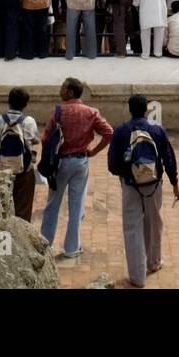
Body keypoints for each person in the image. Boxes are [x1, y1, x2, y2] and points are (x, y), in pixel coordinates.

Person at [109, 94, 179, 287]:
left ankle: (137, 277)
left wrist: (126, 174)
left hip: (130, 184)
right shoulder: (157, 130)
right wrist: (175, 184)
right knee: (153, 223)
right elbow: (168, 159)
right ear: (147, 109)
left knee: (132, 228)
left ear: (129, 109)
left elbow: (112, 165)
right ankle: (154, 262)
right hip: (154, 184)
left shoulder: (120, 131)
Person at [40, 78, 113, 259]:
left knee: (52, 205)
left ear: (71, 92)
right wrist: (94, 151)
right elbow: (108, 133)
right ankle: (72, 248)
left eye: (64, 88)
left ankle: (44, 244)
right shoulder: (91, 112)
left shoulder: (58, 112)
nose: (61, 90)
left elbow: (45, 138)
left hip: (60, 163)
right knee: (76, 205)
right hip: (81, 162)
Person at [0, 87, 39, 222]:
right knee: (23, 210)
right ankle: (19, 238)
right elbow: (36, 140)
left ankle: (3, 238)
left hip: (1, 169)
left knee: (2, 209)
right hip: (24, 169)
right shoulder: (29, 121)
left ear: (9, 101)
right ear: (25, 104)